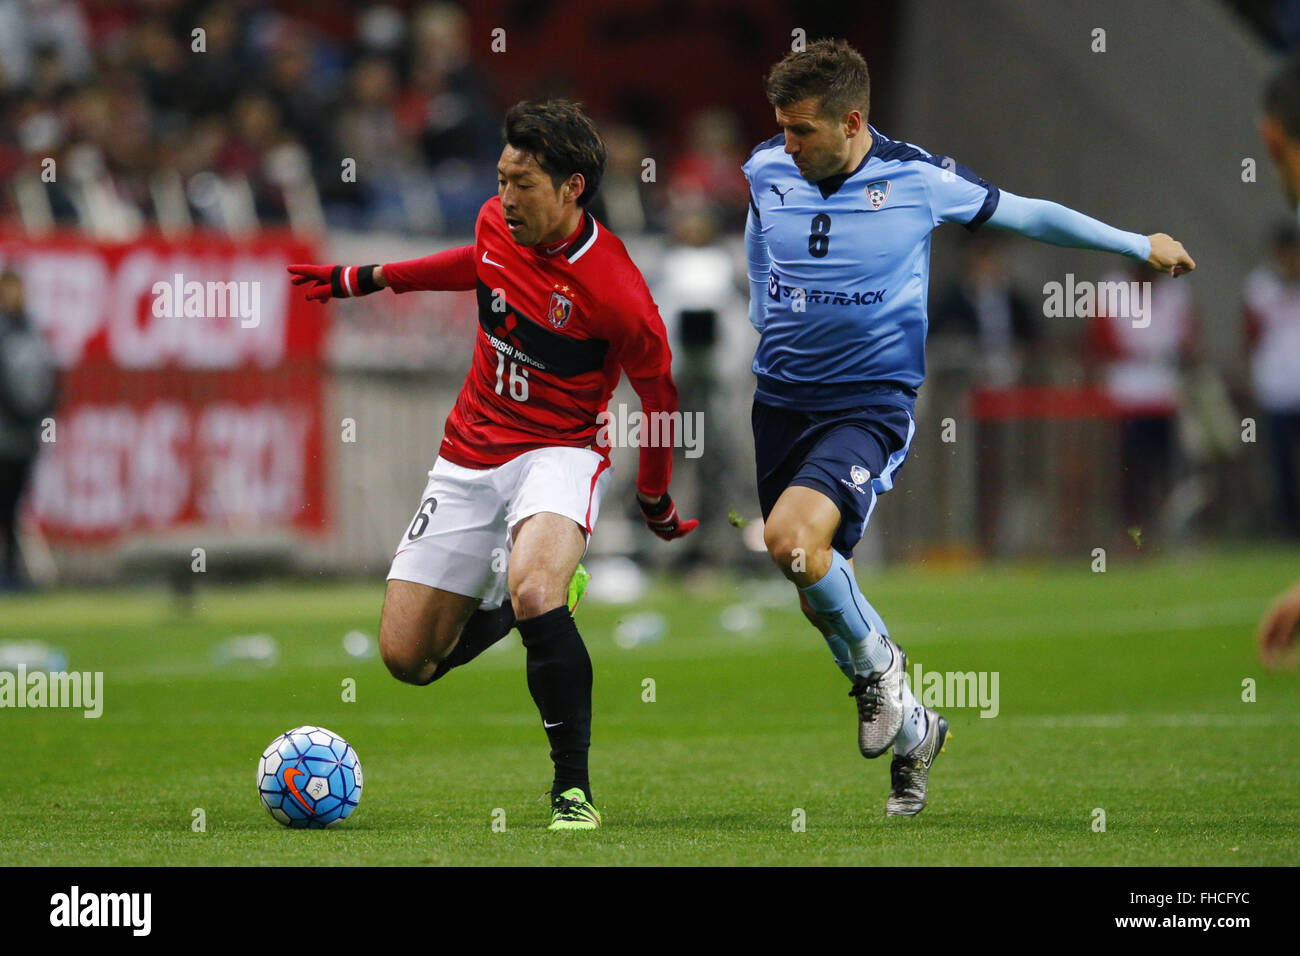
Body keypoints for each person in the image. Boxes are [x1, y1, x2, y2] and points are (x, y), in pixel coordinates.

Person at [743, 39, 1193, 815]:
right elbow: (759, 240)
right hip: (779, 401)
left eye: (803, 131)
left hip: (868, 401)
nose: (788, 144)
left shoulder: (918, 179)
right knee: (807, 570)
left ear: (852, 121)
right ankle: (915, 724)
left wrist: (1134, 244)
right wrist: (762, 306)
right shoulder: (764, 169)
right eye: (782, 128)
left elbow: (1031, 215)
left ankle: (885, 673)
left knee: (791, 540)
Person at [288, 100, 696, 830]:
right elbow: (475, 265)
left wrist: (656, 500)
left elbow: (661, 396)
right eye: (502, 177)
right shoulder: (494, 223)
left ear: (573, 188)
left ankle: (572, 791)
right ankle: (516, 600)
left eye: (525, 183)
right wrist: (368, 276)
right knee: (409, 659)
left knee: (539, 591)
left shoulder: (617, 293)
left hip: (559, 451)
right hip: (470, 450)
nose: (506, 197)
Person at [0, 270, 57, 591]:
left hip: (24, 438)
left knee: (15, 506)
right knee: (4, 505)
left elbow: (49, 378)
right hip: (4, 435)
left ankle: (11, 569)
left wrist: (41, 418)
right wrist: (24, 411)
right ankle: (7, 569)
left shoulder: (33, 330)